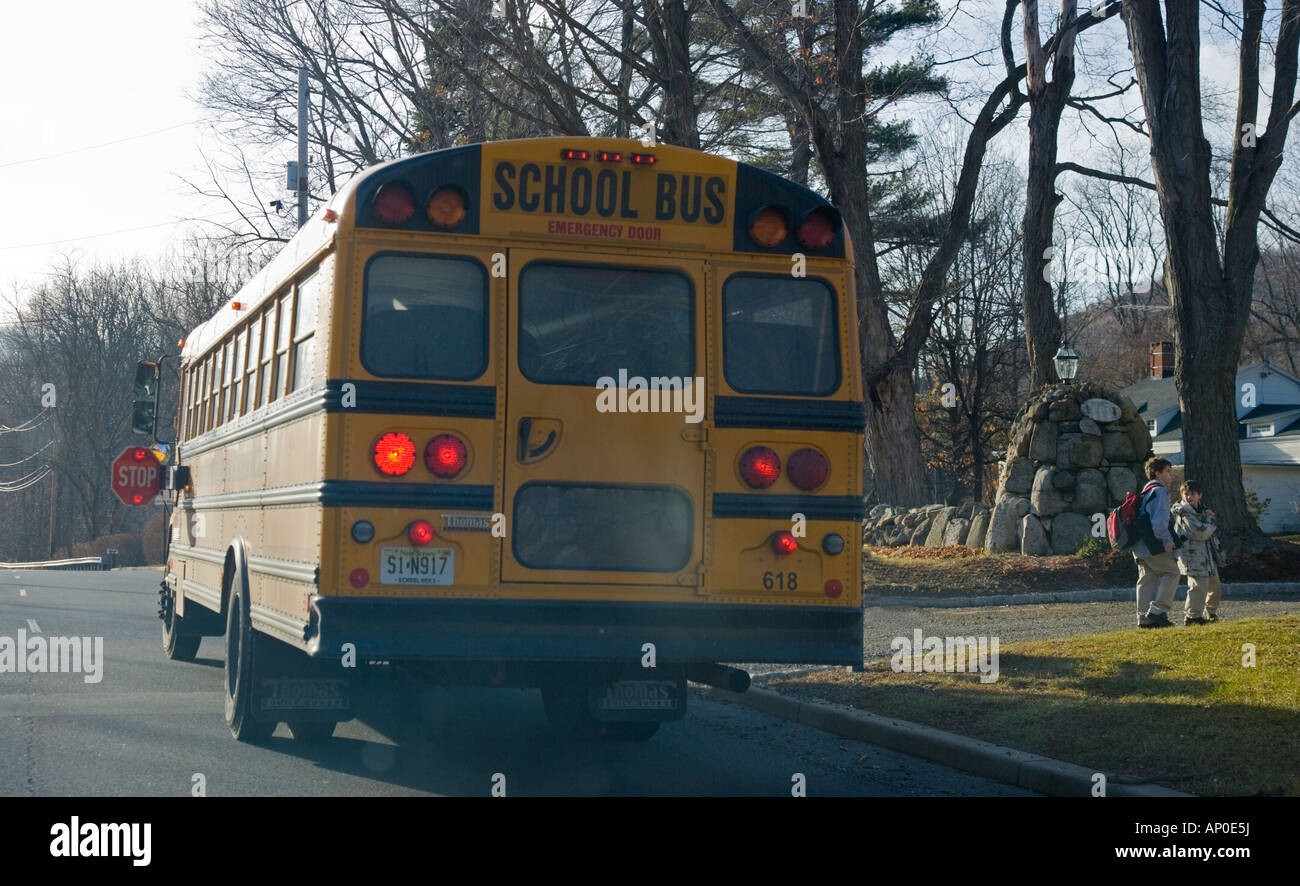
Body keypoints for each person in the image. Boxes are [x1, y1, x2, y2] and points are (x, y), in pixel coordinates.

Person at [1133, 457, 1180, 628]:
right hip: (1153, 545)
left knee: (1147, 579)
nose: (1171, 474)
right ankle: (1158, 610)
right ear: (1157, 473)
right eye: (1168, 471)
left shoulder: (1145, 491)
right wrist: (1166, 540)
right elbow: (1159, 522)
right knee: (1172, 572)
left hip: (1139, 546)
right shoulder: (1159, 491)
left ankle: (1144, 619)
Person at [1171, 481, 1221, 625]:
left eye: (1192, 494)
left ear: (1200, 495)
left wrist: (1207, 518)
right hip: (1192, 555)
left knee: (1214, 585)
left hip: (1207, 556)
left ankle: (1210, 612)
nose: (1189, 497)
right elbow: (1199, 532)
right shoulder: (1184, 512)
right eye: (1185, 494)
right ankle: (1192, 616)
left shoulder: (1201, 510)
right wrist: (1210, 521)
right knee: (1198, 586)